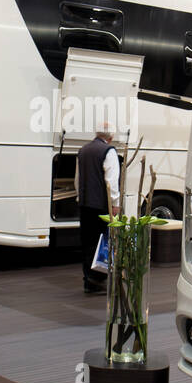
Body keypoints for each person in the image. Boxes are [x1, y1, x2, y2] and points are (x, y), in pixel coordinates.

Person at [75, 124, 121, 294]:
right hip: (101, 205)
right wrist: (115, 203)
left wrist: (80, 198)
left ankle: (88, 279)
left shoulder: (83, 150)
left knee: (87, 243)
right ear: (110, 136)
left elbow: (77, 179)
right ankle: (98, 280)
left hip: (85, 204)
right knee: (102, 243)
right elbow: (111, 181)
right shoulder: (108, 151)